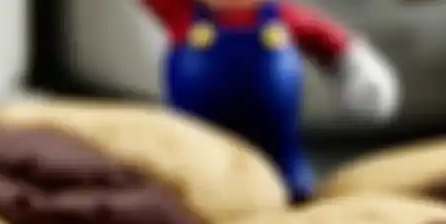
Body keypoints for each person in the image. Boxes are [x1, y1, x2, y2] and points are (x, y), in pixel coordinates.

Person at [142, 0, 399, 200]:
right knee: (194, 182)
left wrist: (355, 65)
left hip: (273, 142)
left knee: (289, 183)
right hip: (197, 140)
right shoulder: (180, 12)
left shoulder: (282, 18)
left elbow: (328, 40)